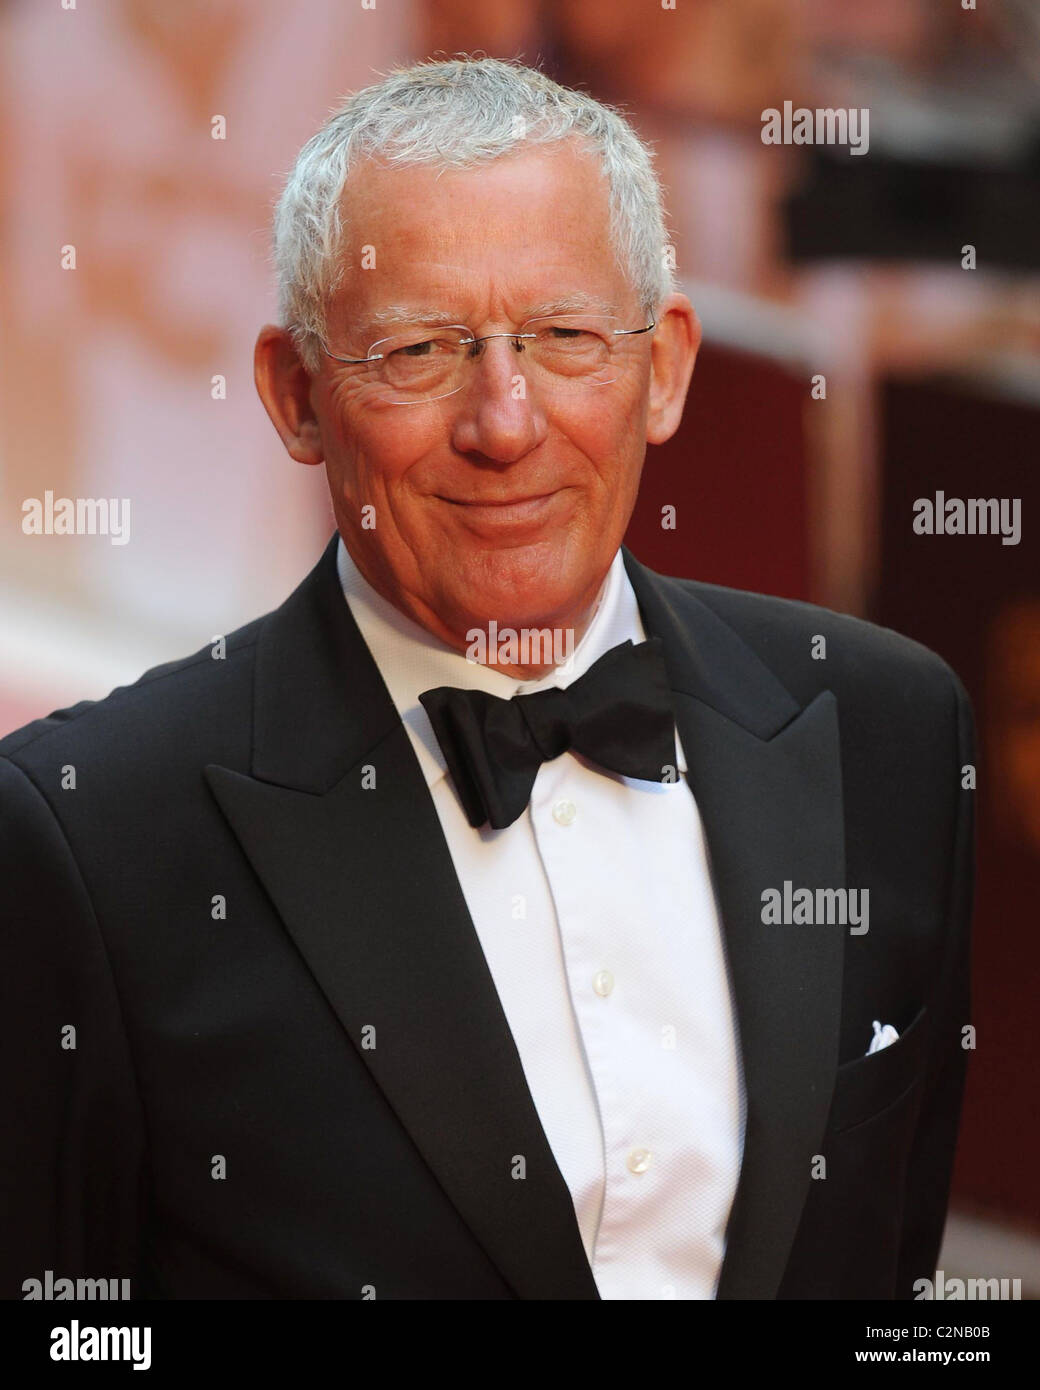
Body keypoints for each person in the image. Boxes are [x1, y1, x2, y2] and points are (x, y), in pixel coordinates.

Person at [1, 56, 973, 1300]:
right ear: (296, 396)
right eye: (417, 350)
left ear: (665, 367)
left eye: (565, 337)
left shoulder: (887, 730)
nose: (504, 424)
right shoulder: (88, 838)